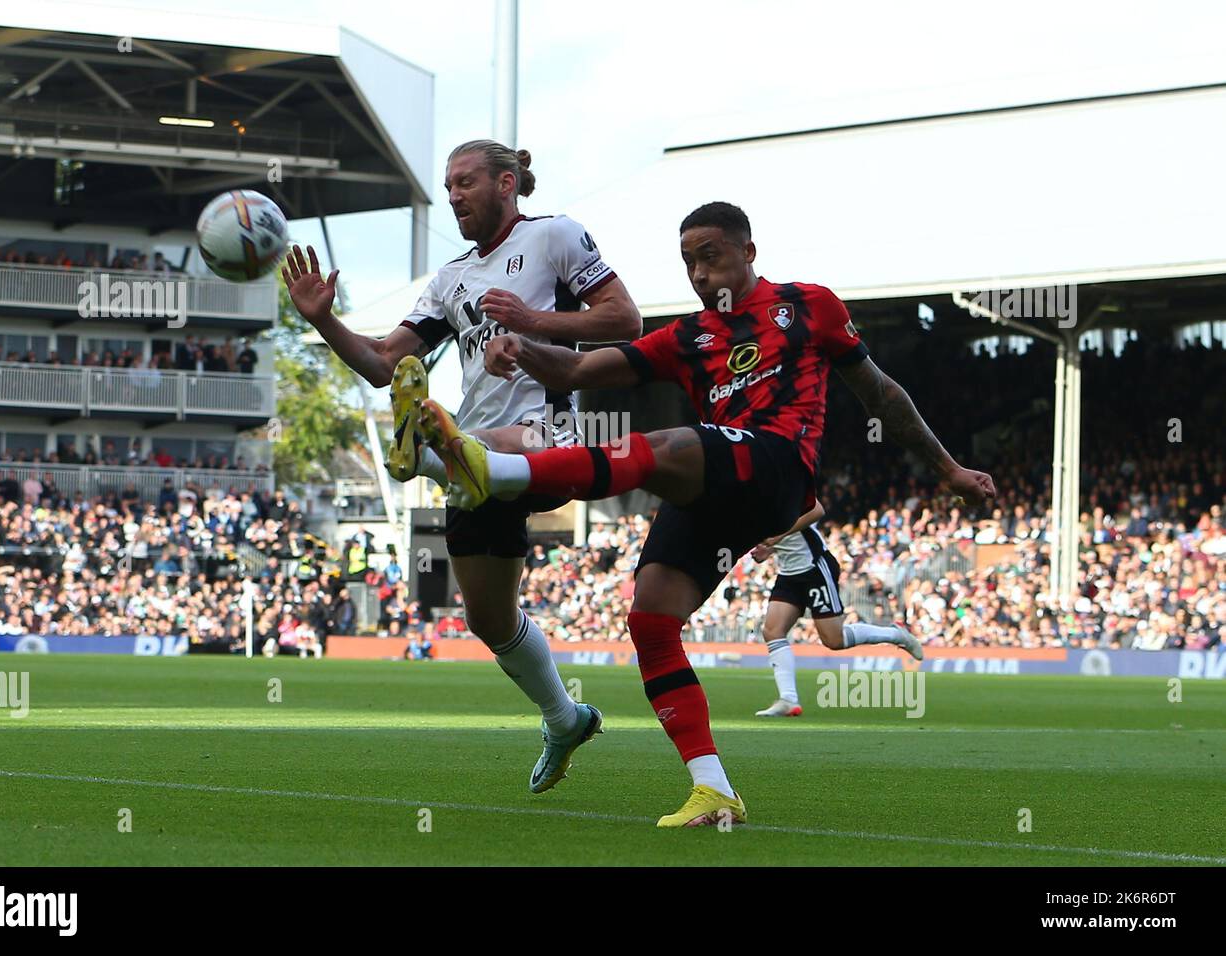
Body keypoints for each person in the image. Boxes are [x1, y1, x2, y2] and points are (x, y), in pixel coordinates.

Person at [423, 201, 996, 827]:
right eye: (688, 261)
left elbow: (881, 392)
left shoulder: (809, 306)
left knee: (670, 443)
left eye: (710, 256)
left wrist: (948, 470)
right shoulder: (687, 338)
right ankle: (714, 789)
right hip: (720, 491)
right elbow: (583, 367)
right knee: (649, 619)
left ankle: (496, 468)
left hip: (778, 467)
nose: (698, 273)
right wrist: (523, 347)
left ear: (748, 251)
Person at [283, 138, 641, 794]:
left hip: (546, 432)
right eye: (447, 186)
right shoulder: (451, 279)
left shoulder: (556, 236)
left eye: (465, 182)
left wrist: (532, 322)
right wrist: (327, 322)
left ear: (507, 183)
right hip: (478, 452)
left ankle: (424, 455)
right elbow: (385, 363)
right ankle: (564, 718)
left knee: (484, 444)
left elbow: (625, 317)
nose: (453, 196)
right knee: (489, 619)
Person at [749, 501, 923, 717]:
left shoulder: (782, 484)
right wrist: (770, 548)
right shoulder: (754, 494)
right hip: (788, 571)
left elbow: (816, 510)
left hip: (814, 567)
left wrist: (777, 536)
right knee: (772, 631)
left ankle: (895, 634)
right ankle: (788, 699)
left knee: (834, 640)